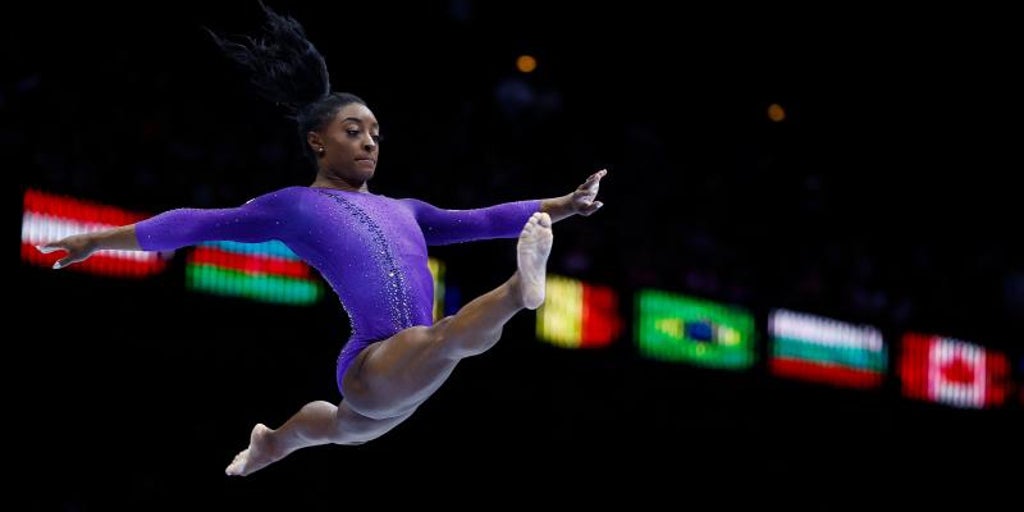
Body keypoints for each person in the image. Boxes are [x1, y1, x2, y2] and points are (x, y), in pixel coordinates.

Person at [36, 3, 606, 476]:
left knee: (345, 429)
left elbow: (480, 220)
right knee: (448, 336)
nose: (369, 143)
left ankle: (272, 443)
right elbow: (195, 222)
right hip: (377, 362)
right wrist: (98, 240)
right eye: (352, 131)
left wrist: (565, 204)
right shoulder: (294, 207)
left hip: (394, 379)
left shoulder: (404, 209)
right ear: (317, 141)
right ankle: (519, 288)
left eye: (376, 134)